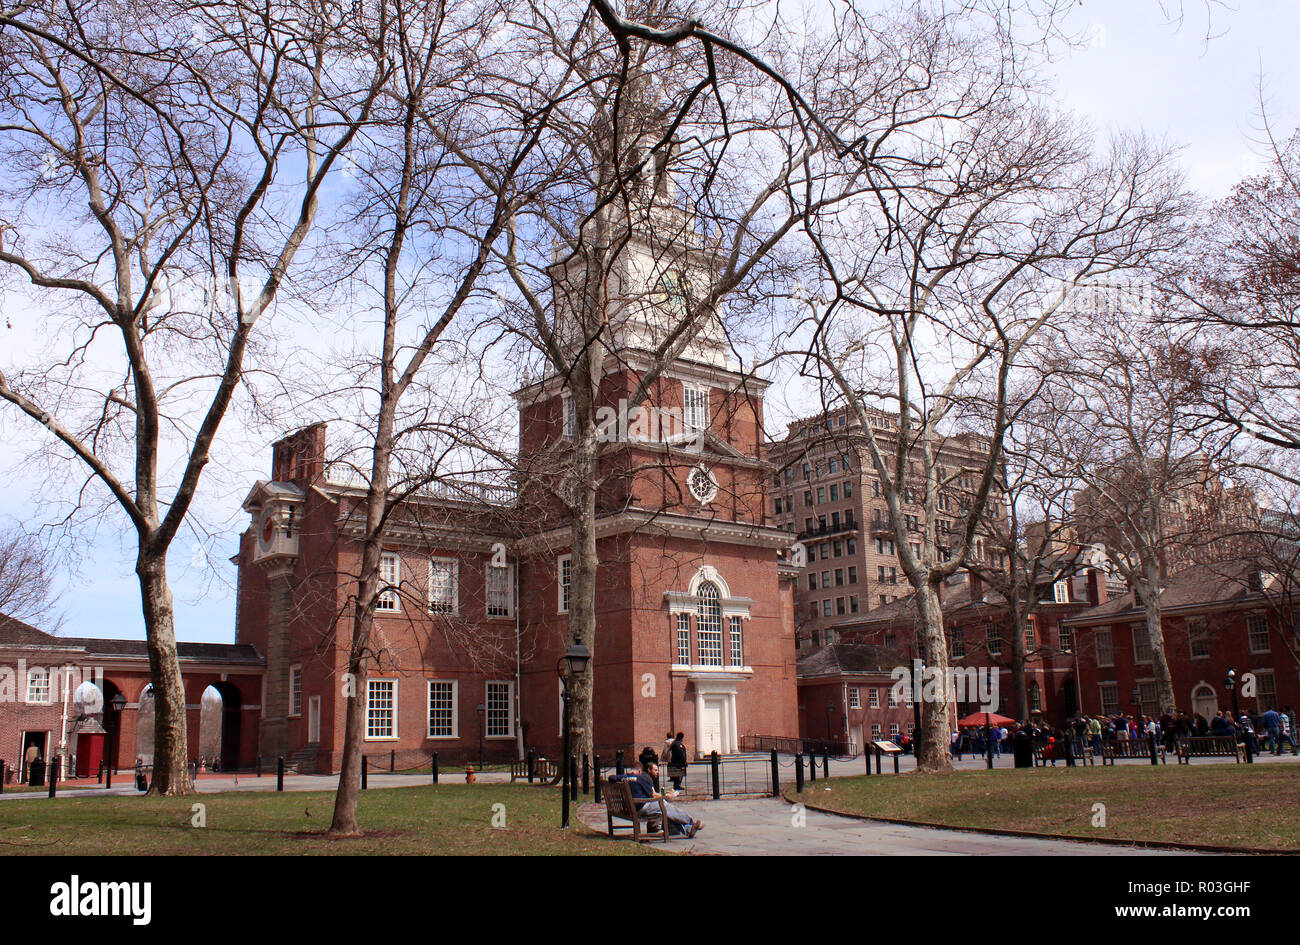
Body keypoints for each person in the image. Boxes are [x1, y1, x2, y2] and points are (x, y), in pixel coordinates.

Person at [630, 757, 701, 838]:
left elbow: (652, 794)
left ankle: (689, 829)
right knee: (665, 805)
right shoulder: (644, 778)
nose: (657, 772)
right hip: (641, 808)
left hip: (634, 807)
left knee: (667, 812)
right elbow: (653, 795)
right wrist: (664, 797)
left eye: (658, 770)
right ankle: (691, 822)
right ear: (647, 770)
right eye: (655, 770)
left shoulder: (631, 778)